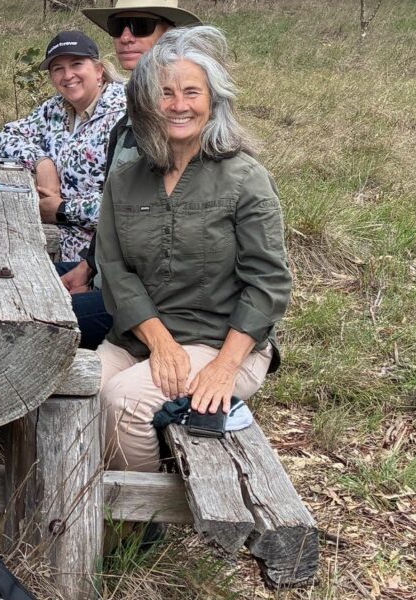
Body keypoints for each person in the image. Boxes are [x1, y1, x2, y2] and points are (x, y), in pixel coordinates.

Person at [92, 26, 292, 471]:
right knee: (75, 392)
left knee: (123, 402)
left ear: (213, 100)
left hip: (222, 343)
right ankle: (80, 507)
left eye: (191, 92)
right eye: (165, 93)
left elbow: (269, 282)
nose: (179, 105)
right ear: (145, 103)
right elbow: (115, 267)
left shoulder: (245, 178)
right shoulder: (126, 180)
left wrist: (223, 367)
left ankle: (140, 527)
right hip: (141, 338)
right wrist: (159, 343)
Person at [0, 29, 124, 349]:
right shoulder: (56, 109)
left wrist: (63, 210)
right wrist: (43, 162)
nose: (68, 76)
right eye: (57, 69)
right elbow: (7, 137)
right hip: (71, 256)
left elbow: (128, 205)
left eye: (76, 64)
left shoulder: (125, 113)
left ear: (99, 69)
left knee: (24, 319)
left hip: (112, 261)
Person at [82, 0, 200, 167]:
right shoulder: (135, 93)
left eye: (141, 25)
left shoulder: (184, 102)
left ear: (170, 34)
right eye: (117, 26)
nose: (125, 38)